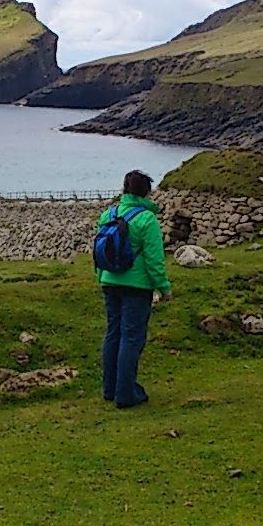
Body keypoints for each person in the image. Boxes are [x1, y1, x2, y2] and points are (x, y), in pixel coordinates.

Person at [98, 169, 171, 408]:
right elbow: (154, 259)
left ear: (124, 189)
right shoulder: (146, 219)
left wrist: (102, 277)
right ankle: (126, 394)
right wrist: (163, 287)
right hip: (137, 286)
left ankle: (110, 389)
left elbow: (100, 249)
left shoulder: (108, 214)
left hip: (109, 281)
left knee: (113, 333)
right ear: (147, 193)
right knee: (131, 337)